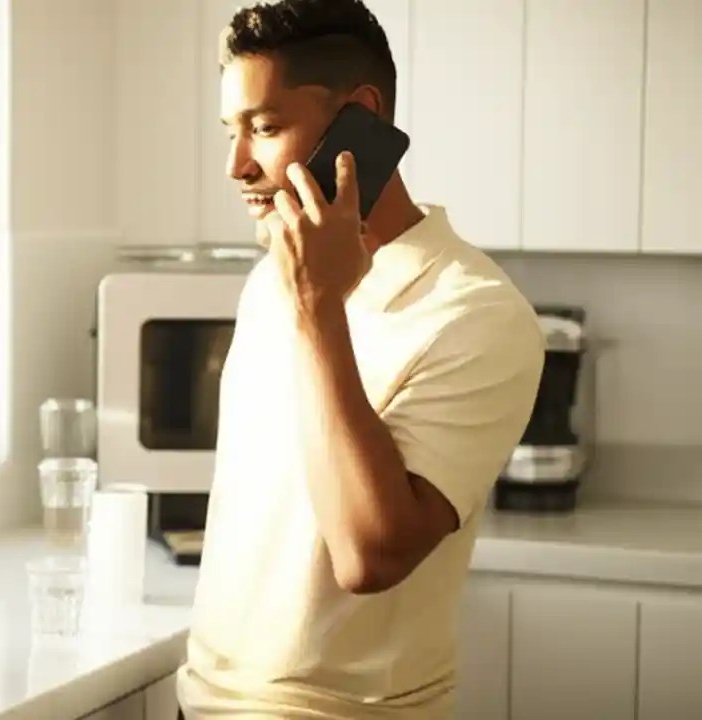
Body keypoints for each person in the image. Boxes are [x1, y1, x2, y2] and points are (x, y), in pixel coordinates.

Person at [175, 1, 545, 718]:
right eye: (231, 131)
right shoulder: (271, 277)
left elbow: (368, 558)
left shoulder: (477, 316)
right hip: (201, 700)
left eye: (266, 127)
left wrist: (319, 311)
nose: (236, 165)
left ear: (360, 122)